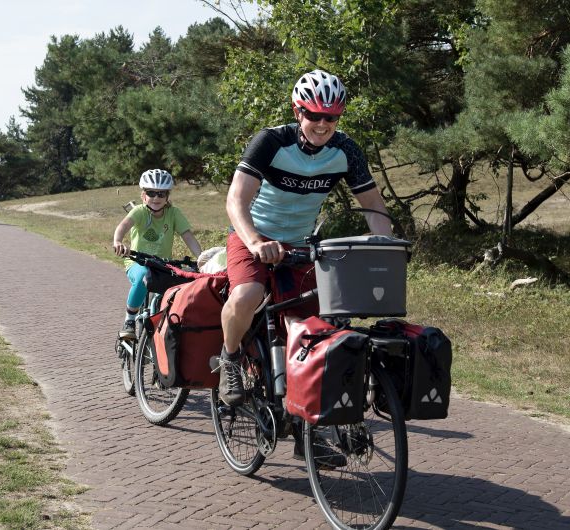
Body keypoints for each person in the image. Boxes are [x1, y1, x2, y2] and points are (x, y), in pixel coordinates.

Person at [217, 69, 393, 460]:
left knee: (314, 333)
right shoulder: (271, 142)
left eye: (330, 117)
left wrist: (384, 246)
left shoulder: (345, 151)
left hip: (301, 247)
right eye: (314, 115)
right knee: (248, 293)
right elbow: (236, 201)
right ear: (298, 112)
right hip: (253, 236)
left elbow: (374, 208)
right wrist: (256, 241)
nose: (322, 124)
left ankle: (306, 437)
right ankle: (230, 358)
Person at [112, 169, 202, 340]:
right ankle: (129, 321)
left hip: (162, 264)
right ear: (143, 195)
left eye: (161, 194)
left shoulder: (174, 213)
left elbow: (188, 236)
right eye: (151, 193)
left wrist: (203, 258)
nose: (156, 198)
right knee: (143, 276)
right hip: (137, 262)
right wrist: (118, 241)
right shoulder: (139, 211)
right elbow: (123, 226)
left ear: (167, 196)